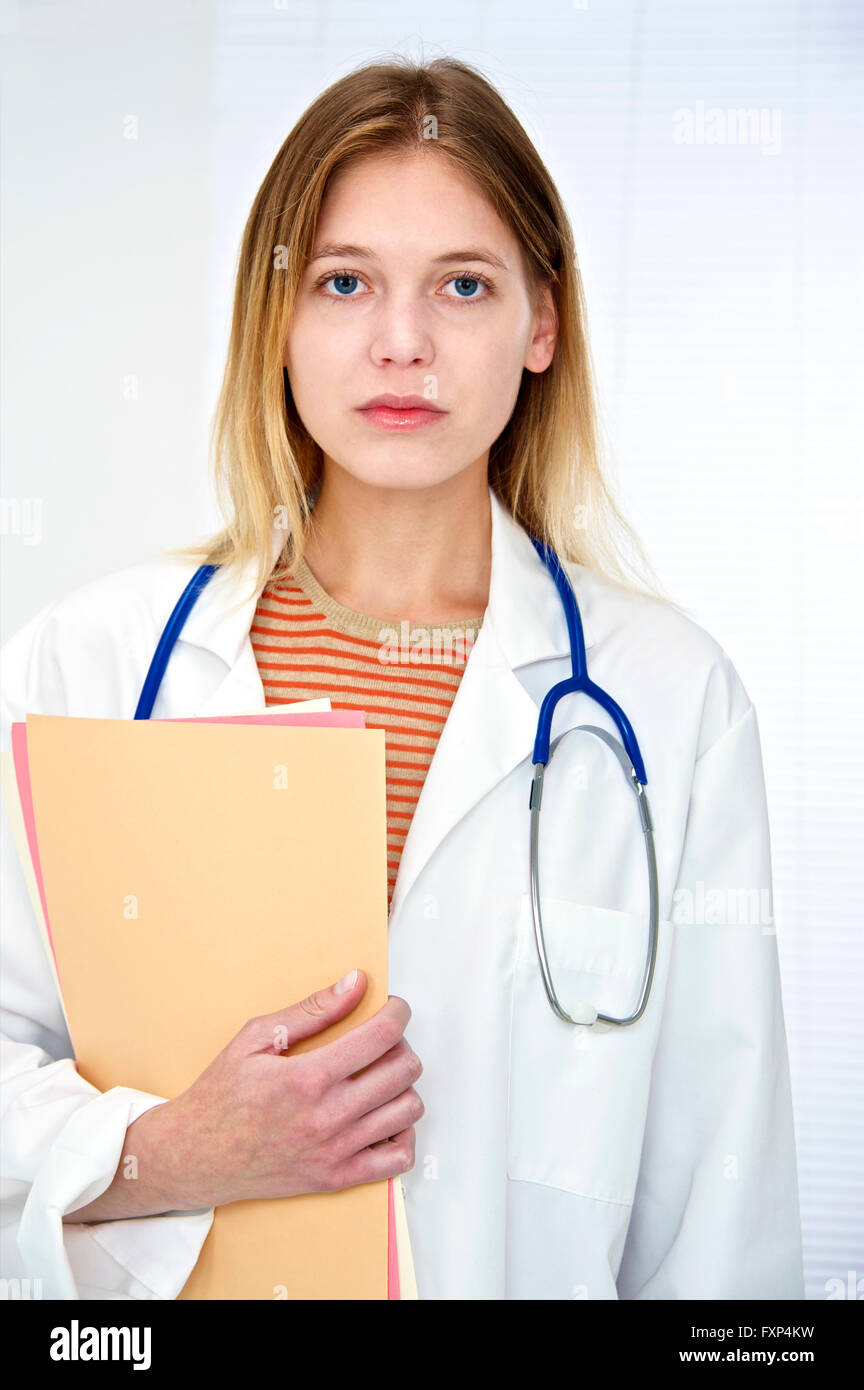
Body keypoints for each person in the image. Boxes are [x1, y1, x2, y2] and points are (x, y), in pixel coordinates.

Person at [0, 55, 804, 1300]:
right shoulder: (92, 664)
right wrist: (162, 1152)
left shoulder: (672, 701)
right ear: (279, 319)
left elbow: (722, 1217)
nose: (402, 343)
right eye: (344, 281)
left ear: (542, 322)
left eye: (464, 285)